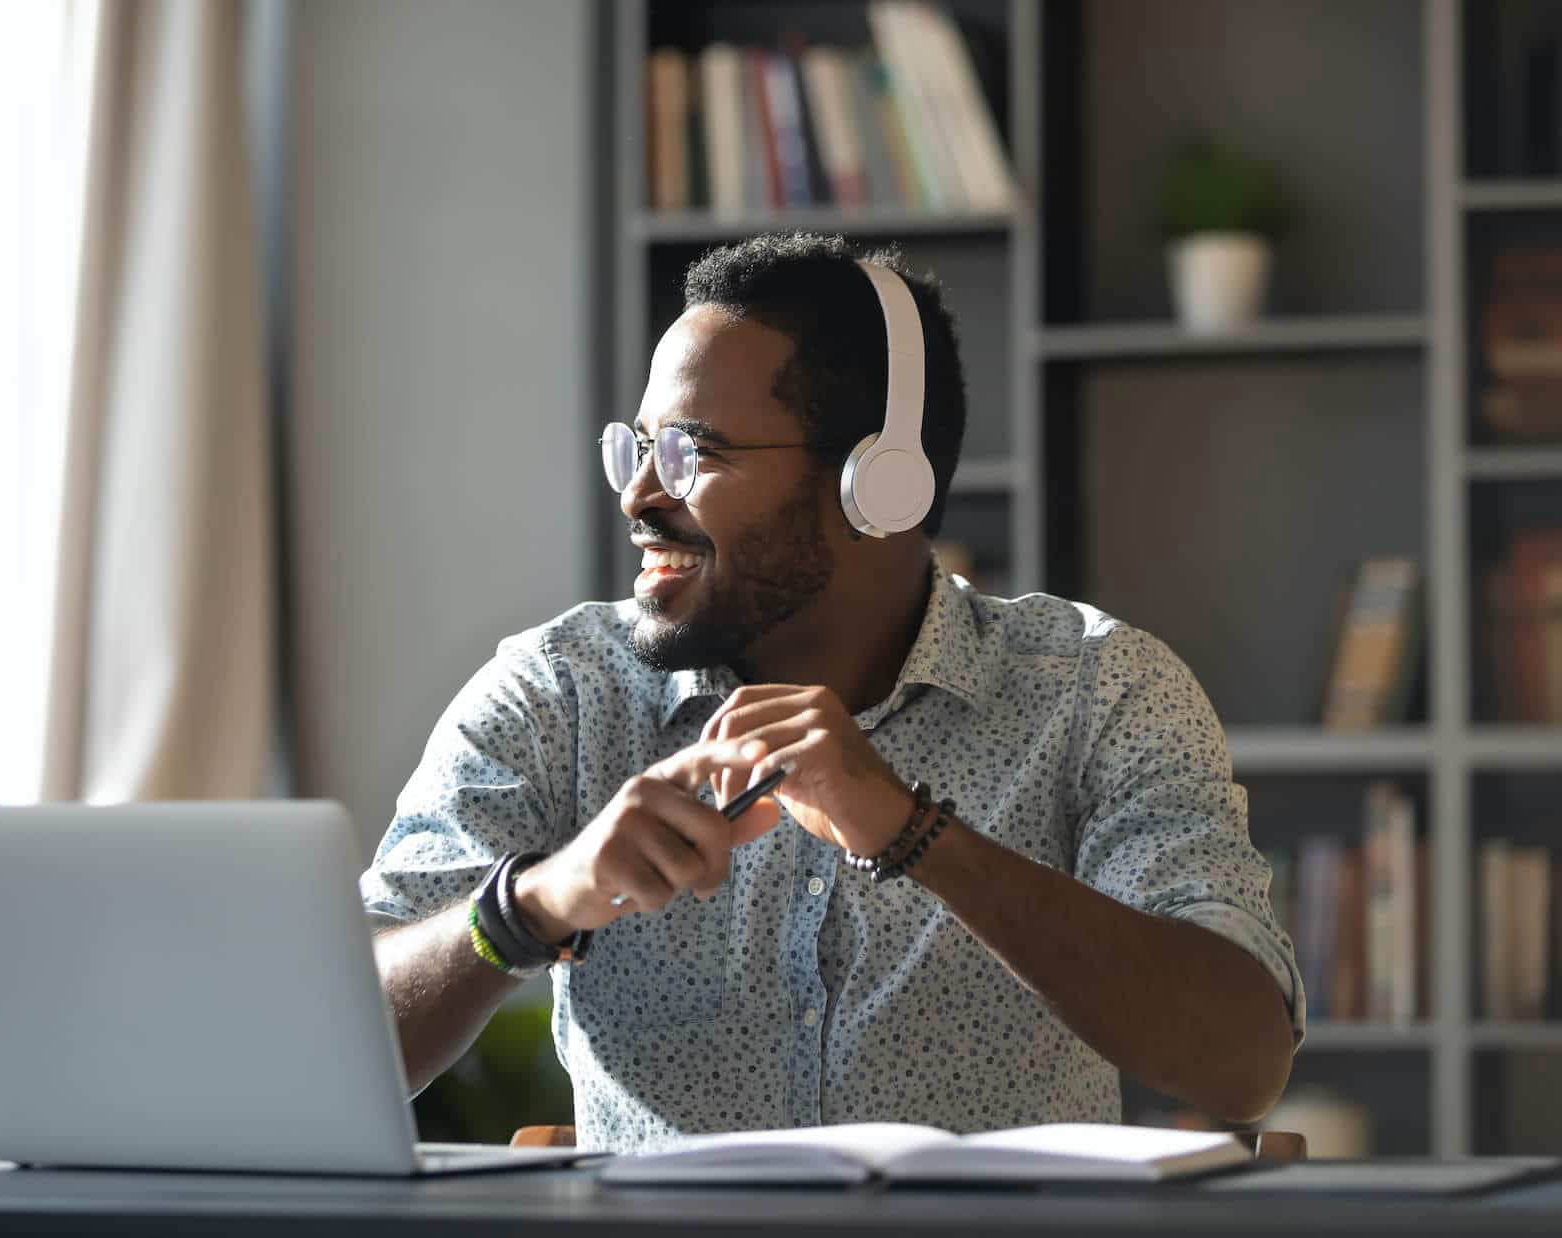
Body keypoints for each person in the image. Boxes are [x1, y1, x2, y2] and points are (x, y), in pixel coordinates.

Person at [362, 232, 1303, 1152]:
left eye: (694, 453)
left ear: (876, 485)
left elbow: (1242, 1060)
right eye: (637, 448)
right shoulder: (559, 693)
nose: (639, 495)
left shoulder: (1096, 689)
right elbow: (333, 1030)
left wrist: (914, 835)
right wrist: (528, 906)